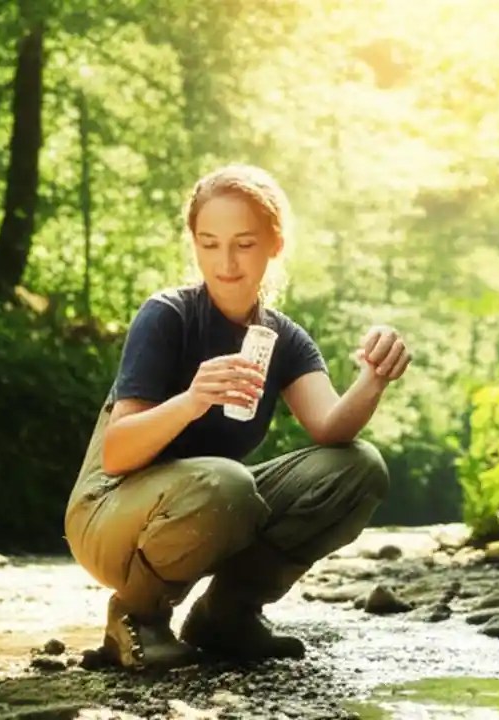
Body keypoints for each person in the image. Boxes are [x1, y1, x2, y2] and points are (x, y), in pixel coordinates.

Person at [64, 163, 413, 671]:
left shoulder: (283, 339)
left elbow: (331, 429)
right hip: (108, 512)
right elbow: (116, 453)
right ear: (195, 244)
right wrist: (190, 400)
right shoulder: (166, 316)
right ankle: (137, 615)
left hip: (207, 501)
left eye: (244, 244)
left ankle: (227, 614)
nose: (225, 262)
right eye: (209, 243)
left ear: (275, 245)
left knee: (358, 468)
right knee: (227, 483)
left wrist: (374, 378)